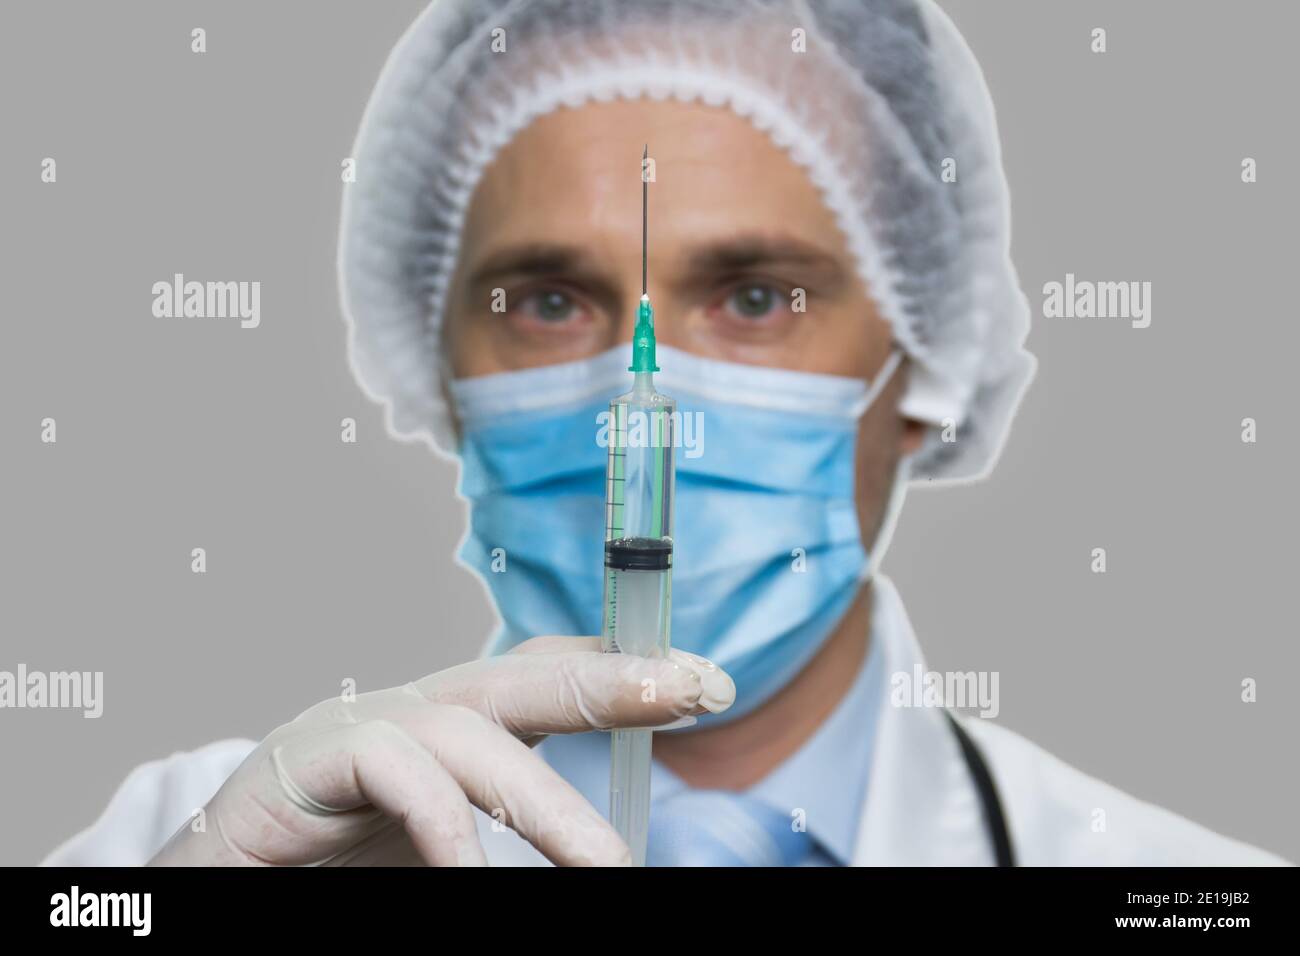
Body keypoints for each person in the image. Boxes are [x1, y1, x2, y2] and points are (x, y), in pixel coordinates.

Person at [43, 0, 1286, 867]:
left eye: (756, 297)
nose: (644, 394)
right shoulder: (184, 842)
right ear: (435, 362)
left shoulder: (1174, 883)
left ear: (927, 357)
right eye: (542, 300)